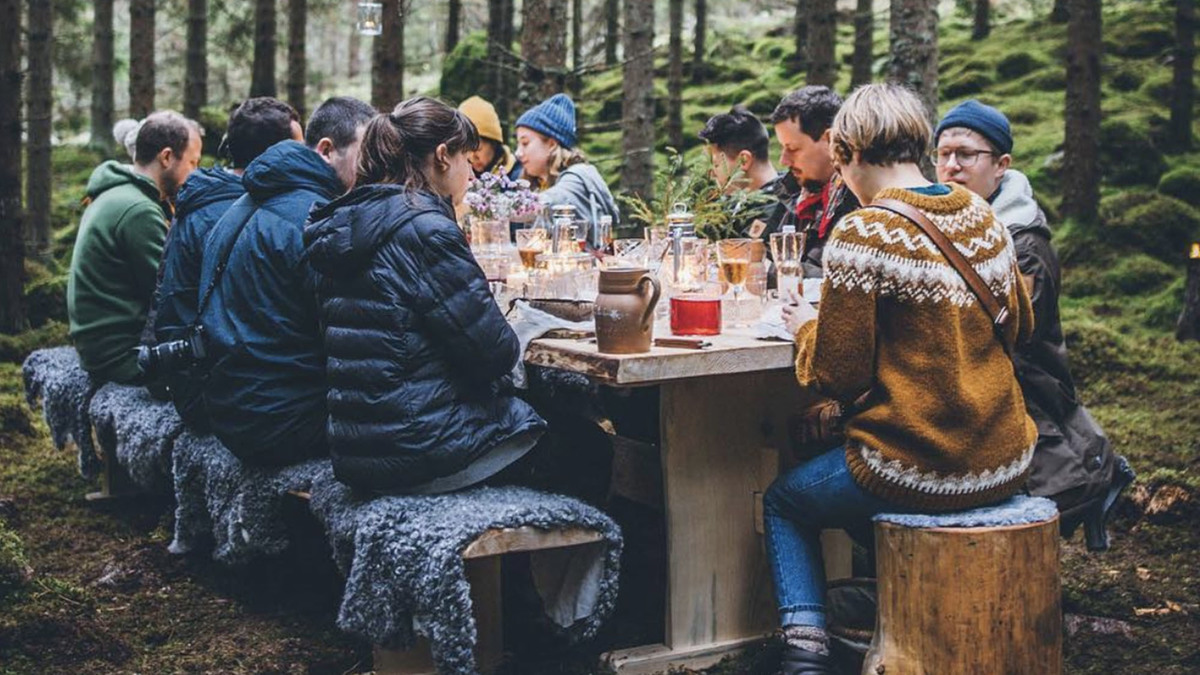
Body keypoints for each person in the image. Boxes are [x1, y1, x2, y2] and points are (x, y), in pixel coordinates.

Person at [771, 84, 1036, 674]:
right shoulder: (982, 214)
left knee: (785, 501)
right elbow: (1020, 323)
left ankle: (804, 653)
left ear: (847, 154)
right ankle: (883, 604)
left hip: (919, 465)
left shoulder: (864, 233)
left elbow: (837, 375)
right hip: (1004, 456)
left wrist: (805, 325)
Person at [304, 97, 546, 493]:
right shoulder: (425, 231)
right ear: (442, 156)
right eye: (467, 158)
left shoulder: (348, 220)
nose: (472, 172)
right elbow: (495, 354)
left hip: (357, 448)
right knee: (583, 446)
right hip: (423, 452)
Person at [935, 99, 1133, 548]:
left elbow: (1010, 339)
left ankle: (1089, 472)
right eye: (943, 154)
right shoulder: (957, 222)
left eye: (966, 154)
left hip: (1024, 399)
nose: (952, 166)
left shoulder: (1023, 244)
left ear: (1001, 165)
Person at [197, 96, 375, 466]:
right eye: (366, 153)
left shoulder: (250, 200)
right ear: (326, 150)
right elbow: (356, 334)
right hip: (281, 421)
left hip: (233, 409)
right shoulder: (315, 218)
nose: (372, 166)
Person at [150, 97, 304, 431]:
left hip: (193, 382)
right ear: (278, 155)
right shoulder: (248, 212)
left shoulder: (203, 199)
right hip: (218, 397)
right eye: (299, 148)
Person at [68, 111, 202, 384]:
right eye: (192, 162)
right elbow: (171, 294)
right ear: (166, 157)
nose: (195, 173)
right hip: (123, 356)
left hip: (100, 348)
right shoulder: (139, 210)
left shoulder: (117, 193)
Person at [770, 86, 861, 278]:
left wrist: (769, 271)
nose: (783, 160)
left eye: (792, 148)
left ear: (830, 140)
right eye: (782, 148)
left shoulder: (859, 199)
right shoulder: (795, 193)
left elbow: (839, 281)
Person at [515, 93, 619, 233]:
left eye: (525, 143)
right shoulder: (540, 185)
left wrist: (495, 206)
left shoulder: (577, 177)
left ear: (551, 144)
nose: (518, 153)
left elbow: (554, 200)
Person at [698, 105, 788, 239]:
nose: (712, 174)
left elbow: (744, 249)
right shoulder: (737, 201)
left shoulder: (776, 208)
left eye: (716, 164)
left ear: (743, 160)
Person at [458, 95, 522, 180]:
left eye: (478, 148)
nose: (472, 157)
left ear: (494, 143)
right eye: (465, 150)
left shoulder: (517, 175)